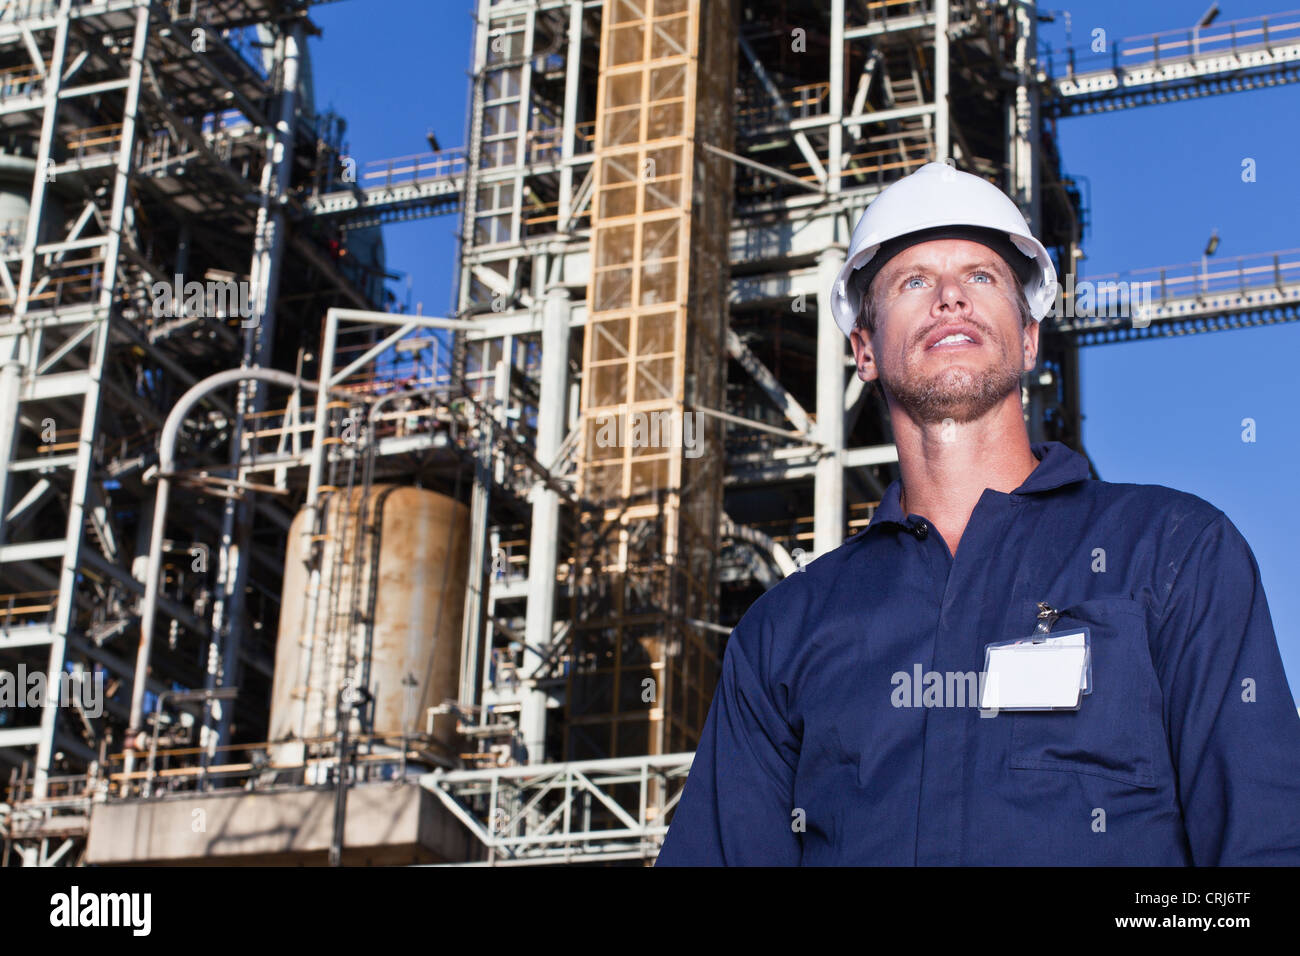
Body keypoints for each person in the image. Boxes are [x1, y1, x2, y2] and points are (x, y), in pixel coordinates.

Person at [655, 162, 1300, 865]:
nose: (951, 299)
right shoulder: (784, 631)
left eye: (982, 277)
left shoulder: (1174, 553)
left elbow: (1263, 846)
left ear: (1028, 339)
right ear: (864, 349)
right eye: (914, 282)